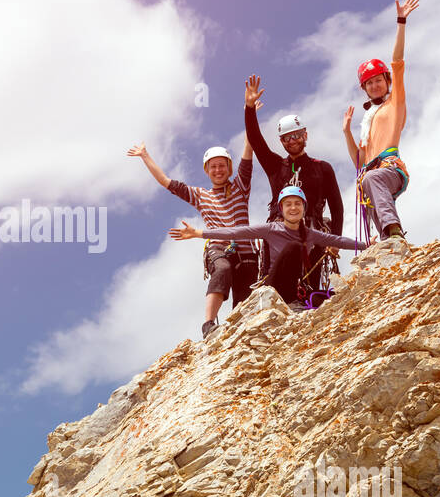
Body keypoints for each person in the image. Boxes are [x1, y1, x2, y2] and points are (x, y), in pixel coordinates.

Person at [128, 136, 257, 338]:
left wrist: (250, 113)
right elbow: (166, 182)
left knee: (245, 293)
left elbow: (248, 152)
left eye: (222, 166)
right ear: (207, 170)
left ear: (229, 168)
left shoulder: (241, 187)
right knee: (222, 269)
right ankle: (208, 325)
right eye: (213, 167)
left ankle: (242, 329)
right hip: (219, 248)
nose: (218, 170)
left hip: (247, 252)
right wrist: (145, 155)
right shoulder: (200, 195)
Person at [170, 186, 364, 312]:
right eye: (288, 204)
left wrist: (366, 245)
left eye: (297, 204)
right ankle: (290, 302)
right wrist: (198, 233)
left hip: (294, 289)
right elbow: (236, 233)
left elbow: (338, 240)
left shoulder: (311, 234)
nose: (293, 208)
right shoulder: (271, 229)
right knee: (295, 247)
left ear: (304, 208)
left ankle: (295, 301)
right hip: (272, 285)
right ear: (281, 209)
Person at [242, 74, 344, 297]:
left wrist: (335, 240)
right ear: (281, 142)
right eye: (286, 138)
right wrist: (249, 109)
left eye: (296, 135)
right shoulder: (275, 166)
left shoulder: (322, 168)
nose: (292, 141)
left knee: (312, 286)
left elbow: (336, 207)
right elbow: (256, 140)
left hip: (314, 232)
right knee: (276, 284)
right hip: (279, 232)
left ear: (305, 134)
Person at [343, 0, 419, 241]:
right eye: (369, 83)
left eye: (378, 80)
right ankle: (390, 240)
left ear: (386, 81)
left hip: (389, 169)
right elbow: (360, 161)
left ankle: (393, 230)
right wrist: (347, 132)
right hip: (371, 172)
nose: (374, 86)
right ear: (363, 89)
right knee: (367, 181)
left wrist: (401, 22)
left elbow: (397, 61)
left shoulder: (394, 102)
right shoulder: (368, 118)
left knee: (373, 178)